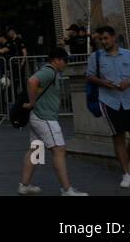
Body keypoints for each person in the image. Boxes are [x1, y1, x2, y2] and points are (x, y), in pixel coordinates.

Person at [18, 47, 87, 196]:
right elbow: (32, 81)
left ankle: (24, 185)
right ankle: (67, 189)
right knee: (59, 150)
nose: (66, 64)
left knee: (36, 149)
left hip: (38, 116)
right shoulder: (49, 71)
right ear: (57, 60)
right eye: (65, 61)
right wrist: (32, 102)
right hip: (45, 117)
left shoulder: (50, 71)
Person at [85, 25, 130, 189]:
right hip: (109, 101)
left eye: (105, 38)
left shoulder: (129, 54)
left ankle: (127, 160)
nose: (103, 42)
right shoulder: (96, 57)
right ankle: (126, 172)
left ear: (113, 37)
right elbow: (90, 76)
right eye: (101, 39)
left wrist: (129, 82)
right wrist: (104, 83)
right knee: (118, 137)